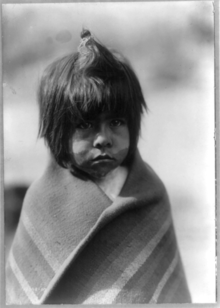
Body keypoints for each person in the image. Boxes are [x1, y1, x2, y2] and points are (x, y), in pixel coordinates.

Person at [6, 29, 191, 304]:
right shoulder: (43, 201)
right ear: (59, 134)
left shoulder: (149, 193)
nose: (103, 139)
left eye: (116, 122)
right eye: (84, 125)